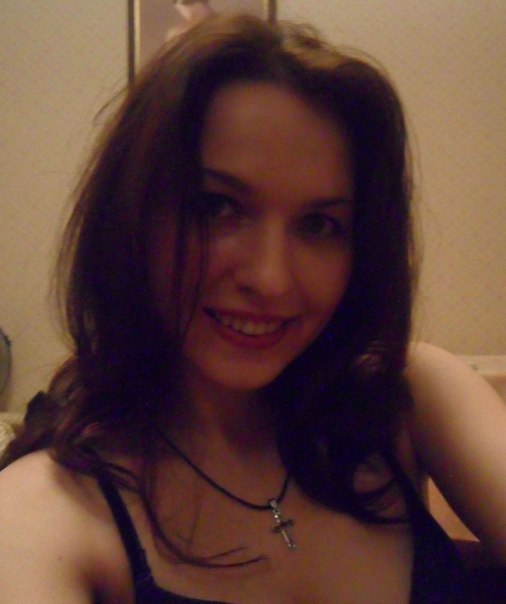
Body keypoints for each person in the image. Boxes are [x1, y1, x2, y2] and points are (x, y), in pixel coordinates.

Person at [1, 13, 505, 603]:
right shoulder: (42, 514)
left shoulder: (409, 397)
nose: (270, 279)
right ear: (131, 216)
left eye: (319, 225)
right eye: (218, 208)